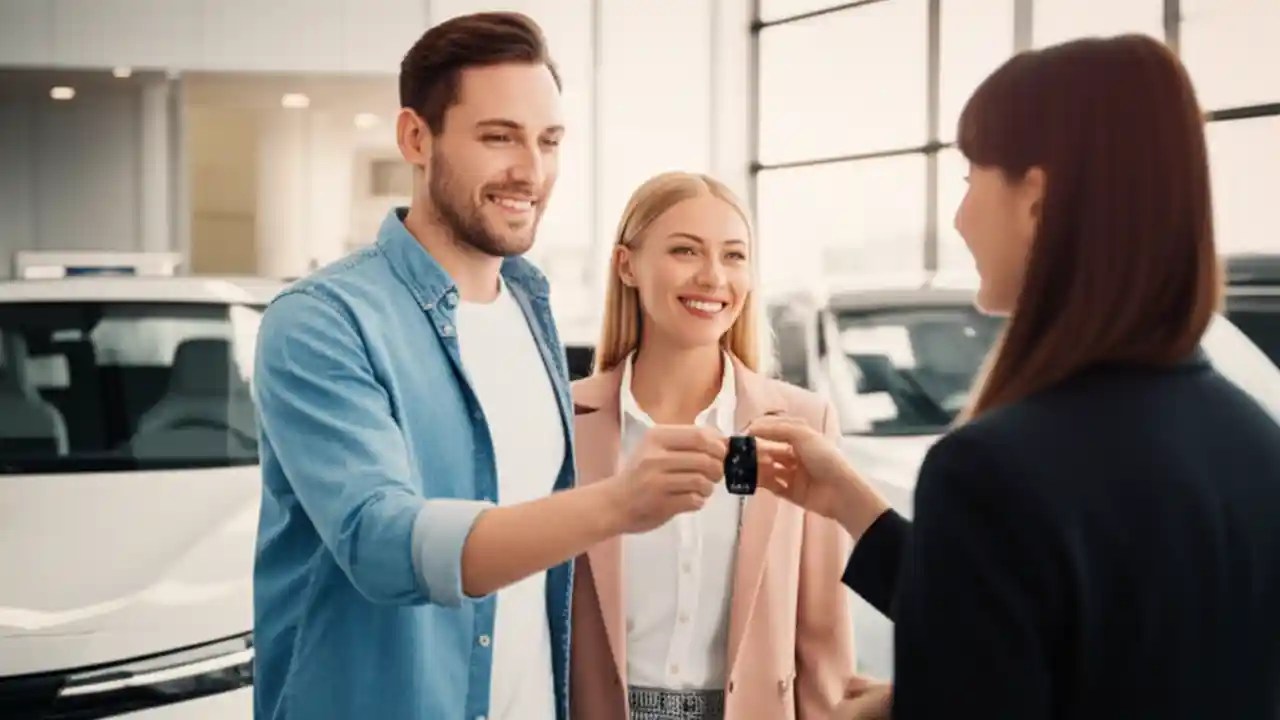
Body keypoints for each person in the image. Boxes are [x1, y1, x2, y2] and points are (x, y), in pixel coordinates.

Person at [750, 34, 1280, 720]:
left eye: (970, 178)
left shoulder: (992, 471)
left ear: (1036, 202)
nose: (961, 217)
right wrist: (855, 506)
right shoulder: (1257, 447)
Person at [251, 14, 734, 720]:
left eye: (549, 141)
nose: (531, 171)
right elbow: (381, 543)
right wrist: (618, 504)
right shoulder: (322, 321)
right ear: (417, 138)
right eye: (499, 136)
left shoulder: (530, 304)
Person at [568, 171, 860, 720]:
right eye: (685, 251)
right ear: (627, 265)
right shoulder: (564, 420)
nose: (713, 277)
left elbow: (823, 639)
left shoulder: (802, 423)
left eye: (733, 256)